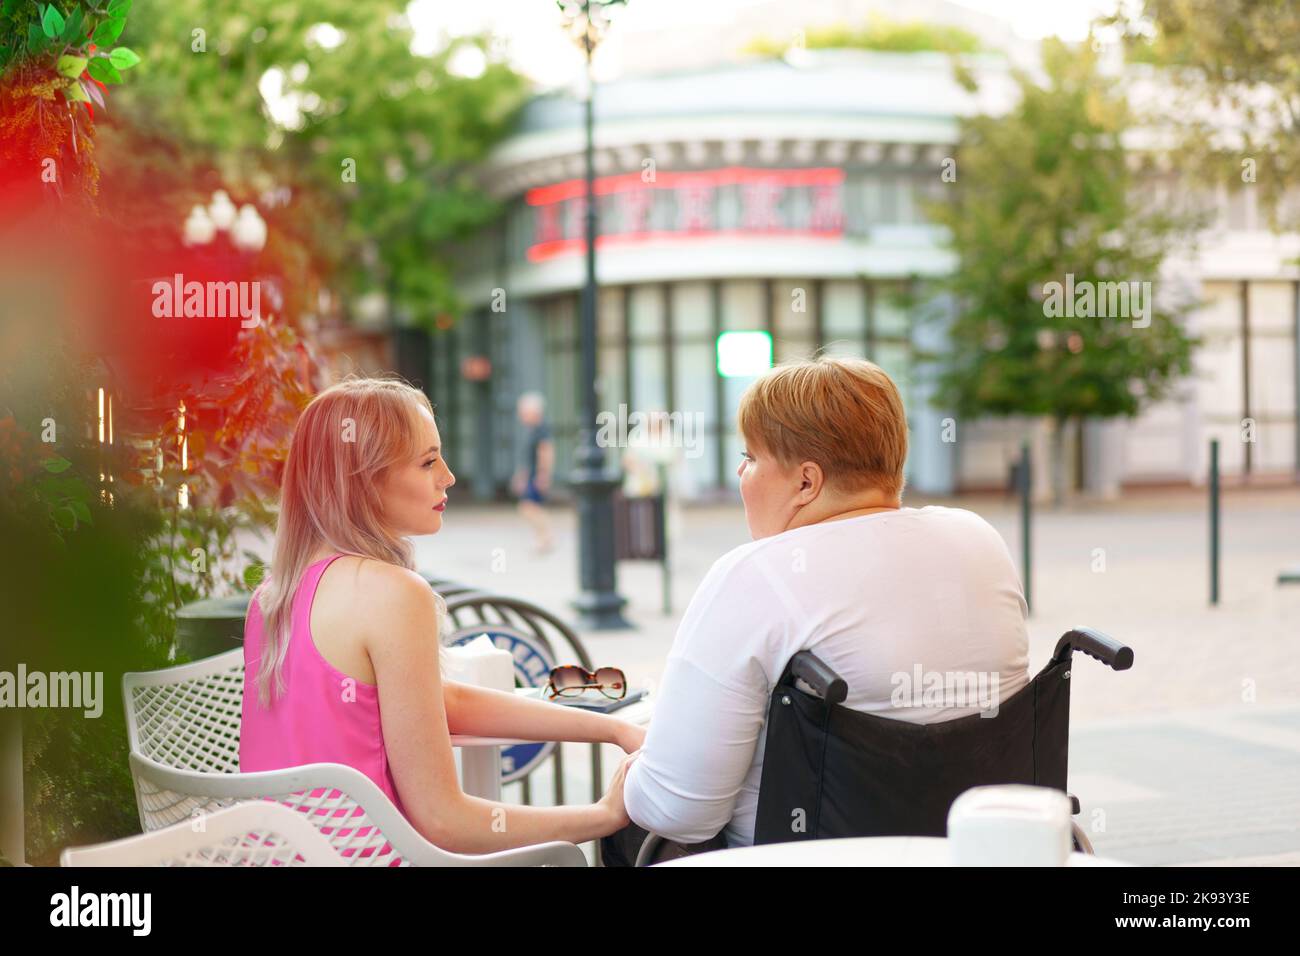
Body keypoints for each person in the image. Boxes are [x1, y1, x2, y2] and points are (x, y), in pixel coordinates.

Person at [601, 356, 1031, 865]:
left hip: (799, 856)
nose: (741, 473)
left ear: (806, 483)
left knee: (627, 829)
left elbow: (680, 811)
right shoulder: (979, 540)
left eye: (751, 456)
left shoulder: (755, 574)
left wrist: (631, 778)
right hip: (979, 850)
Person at [240, 376, 644, 854]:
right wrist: (601, 816)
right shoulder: (392, 593)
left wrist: (612, 728)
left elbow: (439, 701)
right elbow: (443, 821)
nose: (448, 476)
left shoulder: (271, 596)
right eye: (428, 461)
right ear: (363, 480)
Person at [512, 391, 554, 553]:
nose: (521, 415)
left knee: (528, 507)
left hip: (536, 475)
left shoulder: (541, 430)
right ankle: (544, 537)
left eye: (523, 412)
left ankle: (546, 536)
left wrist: (543, 474)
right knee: (530, 507)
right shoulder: (533, 430)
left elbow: (546, 452)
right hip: (532, 474)